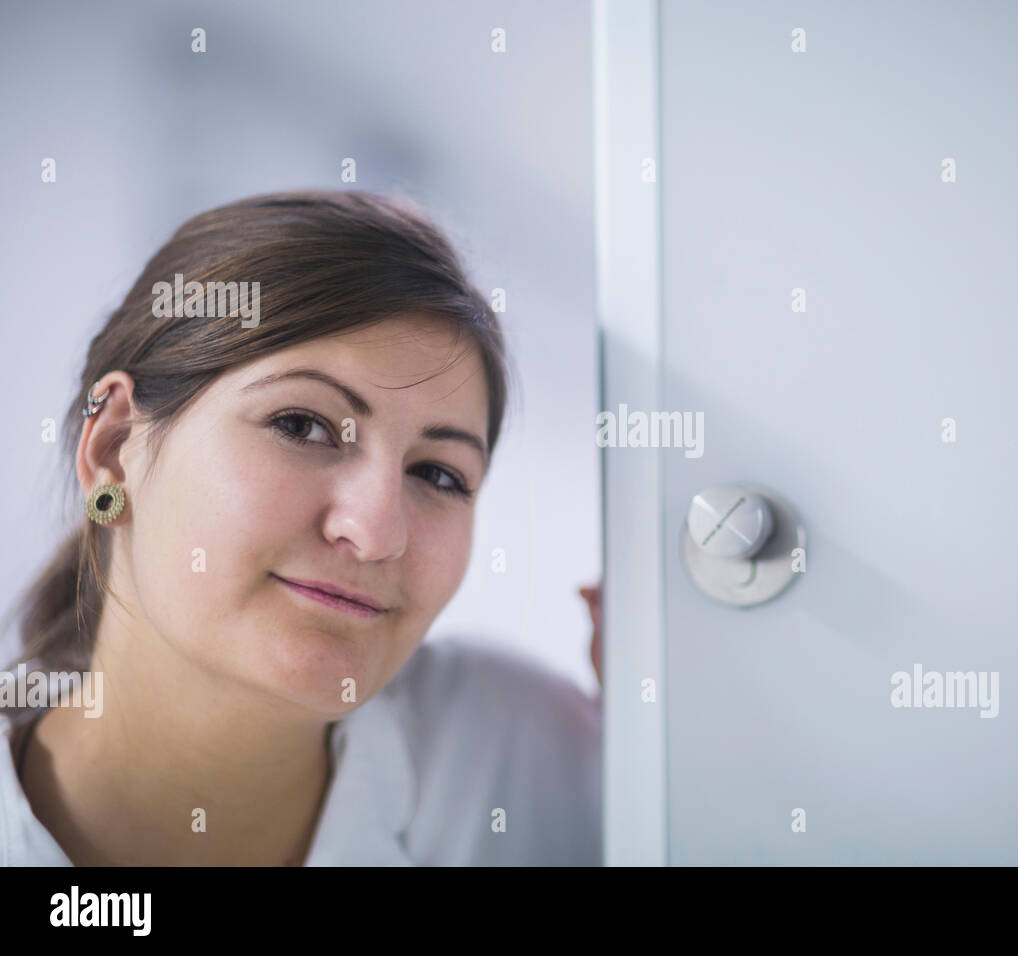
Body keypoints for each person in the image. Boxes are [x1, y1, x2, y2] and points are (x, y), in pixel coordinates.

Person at [0, 190, 602, 866]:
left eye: (437, 475)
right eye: (301, 426)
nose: (375, 534)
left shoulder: (524, 749)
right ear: (114, 449)